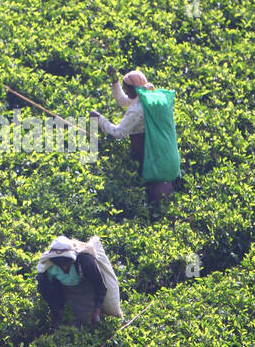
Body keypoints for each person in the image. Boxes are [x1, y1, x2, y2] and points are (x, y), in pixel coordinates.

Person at [90, 67, 178, 204]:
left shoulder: (137, 110)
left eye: (126, 88)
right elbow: (123, 101)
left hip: (146, 151)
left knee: (153, 190)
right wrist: (115, 81)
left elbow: (118, 133)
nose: (125, 91)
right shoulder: (146, 97)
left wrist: (99, 119)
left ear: (133, 89)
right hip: (158, 150)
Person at [36, 237, 110, 329]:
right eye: (60, 265)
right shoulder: (47, 269)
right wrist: (58, 309)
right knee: (62, 326)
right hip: (64, 293)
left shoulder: (85, 261)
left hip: (87, 292)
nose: (64, 268)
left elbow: (100, 286)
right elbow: (47, 291)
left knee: (87, 324)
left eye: (66, 264)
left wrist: (96, 311)